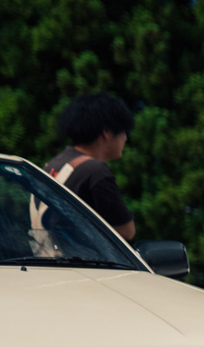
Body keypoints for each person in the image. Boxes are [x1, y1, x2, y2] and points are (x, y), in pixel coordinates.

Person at [46, 93, 137, 240]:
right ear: (106, 131)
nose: (125, 138)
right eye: (123, 131)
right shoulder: (95, 171)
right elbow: (126, 231)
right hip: (76, 261)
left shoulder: (54, 164)